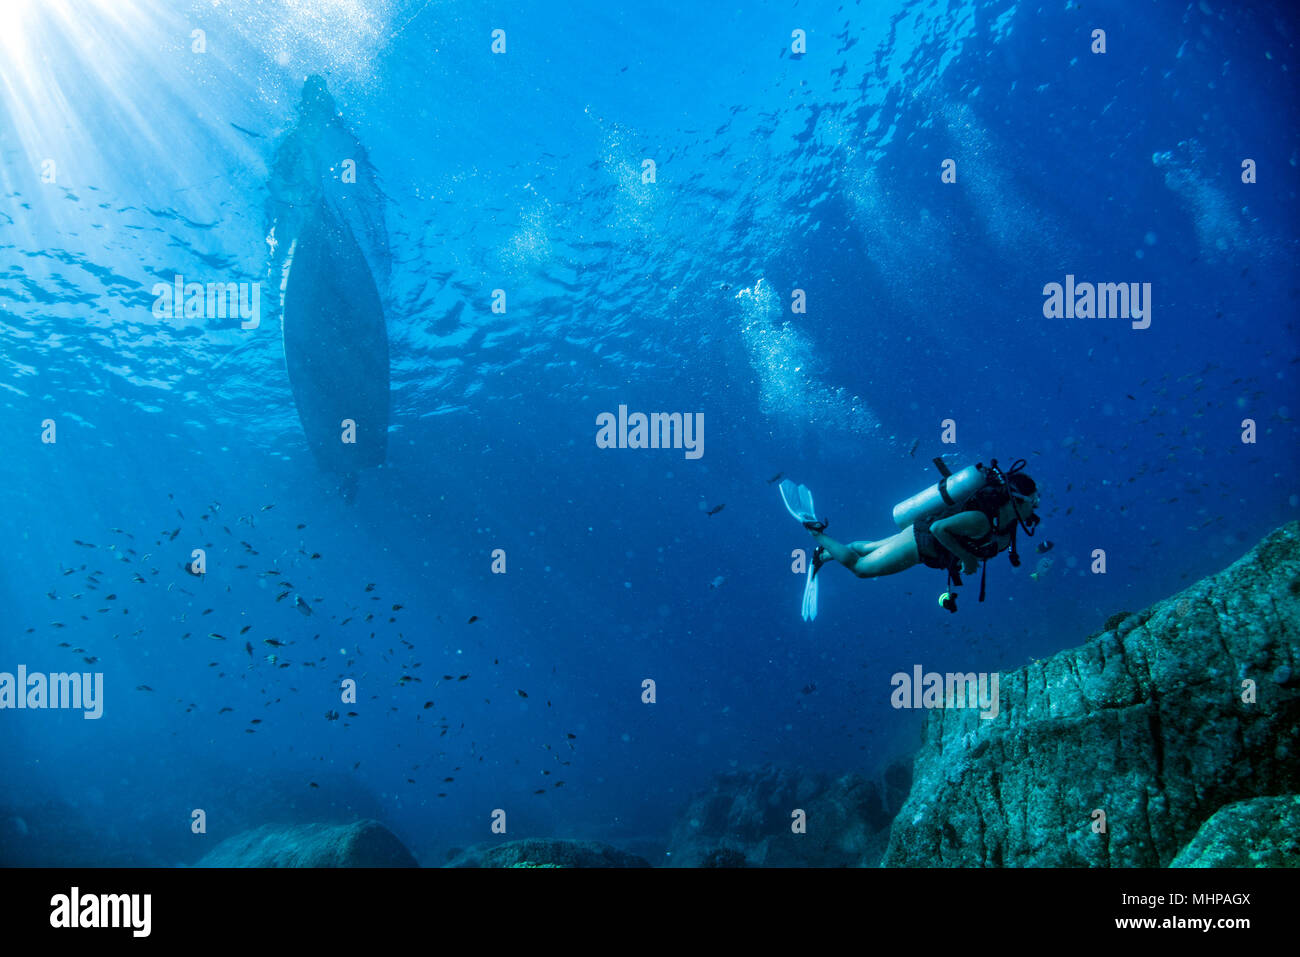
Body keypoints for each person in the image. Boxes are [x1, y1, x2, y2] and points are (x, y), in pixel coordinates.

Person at [781, 459, 1040, 619]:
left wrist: (963, 557)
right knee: (861, 568)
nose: (1037, 505)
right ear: (1016, 499)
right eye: (1034, 500)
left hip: (922, 538)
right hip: (921, 542)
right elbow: (940, 528)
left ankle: (822, 556)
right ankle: (816, 533)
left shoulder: (1007, 529)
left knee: (867, 548)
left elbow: (969, 541)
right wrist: (967, 559)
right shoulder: (982, 520)